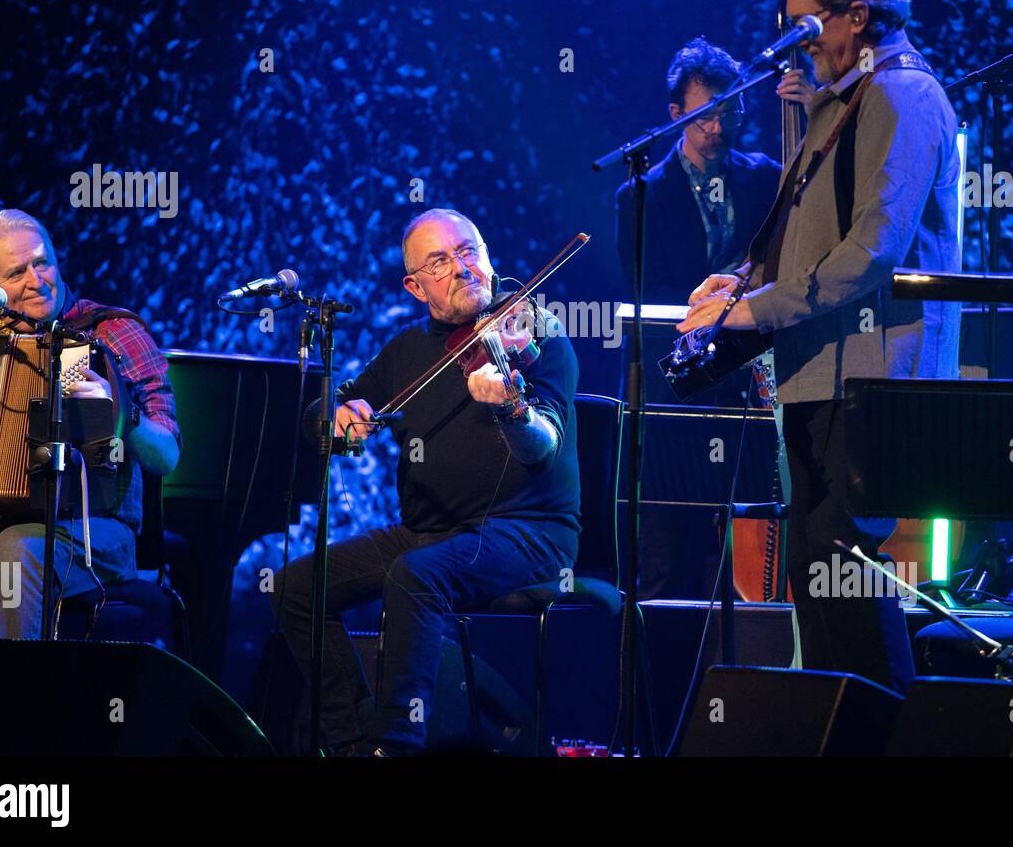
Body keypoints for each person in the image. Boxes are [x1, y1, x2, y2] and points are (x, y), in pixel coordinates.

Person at [677, 0, 962, 695]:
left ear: (858, 15)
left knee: (847, 575)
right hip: (818, 373)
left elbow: (871, 252)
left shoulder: (902, 96)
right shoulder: (841, 101)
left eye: (809, 27)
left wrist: (752, 312)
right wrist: (736, 285)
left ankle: (890, 734)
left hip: (873, 378)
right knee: (815, 566)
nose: (795, 45)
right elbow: (803, 235)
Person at [271, 208, 580, 755]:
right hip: (432, 531)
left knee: (416, 575)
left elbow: (543, 448)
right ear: (415, 287)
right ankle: (351, 741)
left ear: (487, 257)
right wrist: (338, 413)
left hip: (529, 533)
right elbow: (331, 406)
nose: (461, 268)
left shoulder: (539, 335)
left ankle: (396, 745)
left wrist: (512, 408)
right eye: (440, 261)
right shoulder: (406, 351)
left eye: (468, 251)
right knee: (297, 587)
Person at [0, 209, 179, 638]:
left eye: (43, 262)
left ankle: (11, 703)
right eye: (17, 271)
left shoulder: (111, 332)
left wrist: (121, 413)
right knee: (11, 556)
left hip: (93, 531)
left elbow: (166, 456)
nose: (36, 280)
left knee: (18, 550)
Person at [615, 37, 784, 304]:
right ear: (676, 113)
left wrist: (813, 107)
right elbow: (649, 294)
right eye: (706, 116)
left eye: (729, 115)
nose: (718, 129)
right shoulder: (641, 196)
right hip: (680, 335)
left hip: (752, 334)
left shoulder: (764, 175)